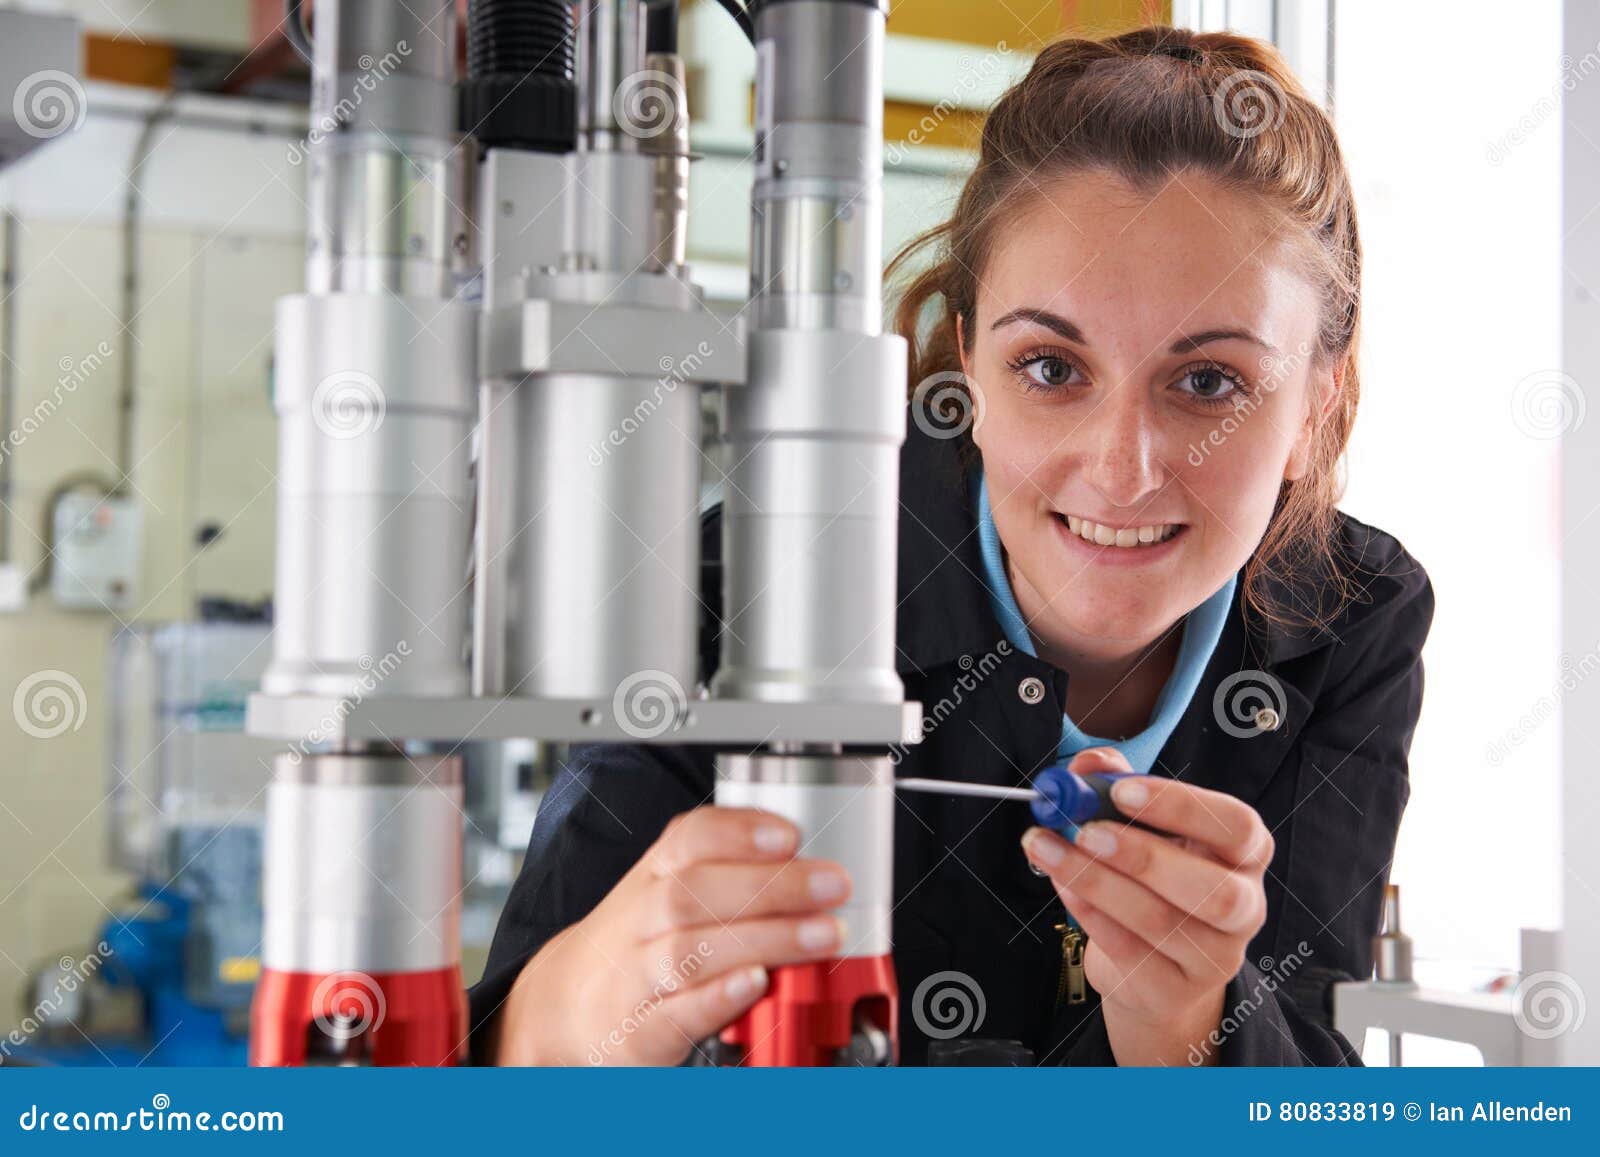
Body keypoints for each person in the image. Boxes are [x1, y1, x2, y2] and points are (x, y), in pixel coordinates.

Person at [470, 25, 1434, 1067]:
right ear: (967, 359)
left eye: (1208, 383)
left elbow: (1314, 1086)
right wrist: (571, 1018)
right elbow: (475, 1081)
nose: (1120, 469)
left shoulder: (1347, 616)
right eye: (1050, 367)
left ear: (1313, 408)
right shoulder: (743, 582)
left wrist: (1194, 1024)